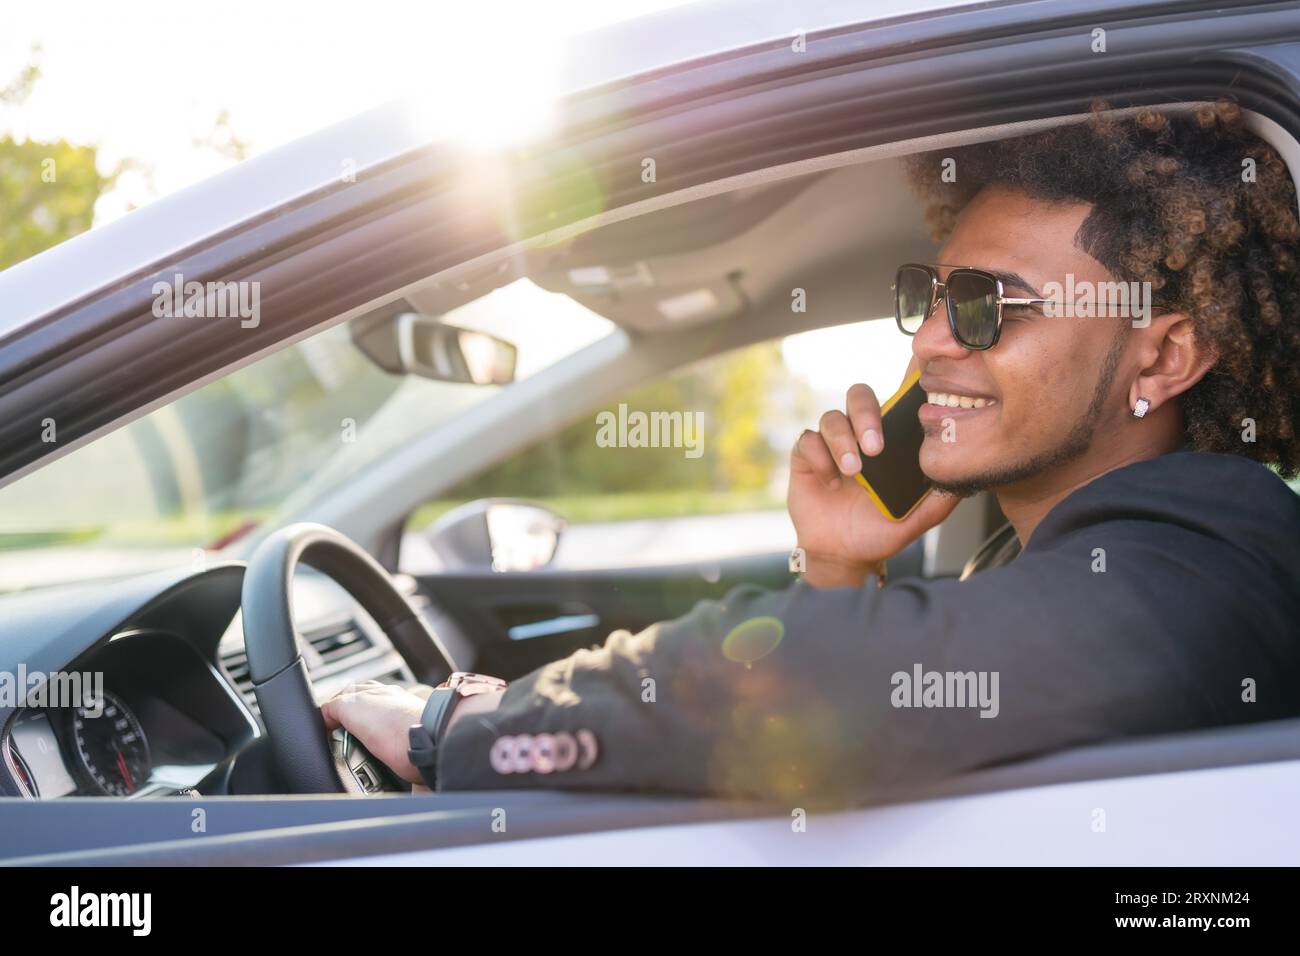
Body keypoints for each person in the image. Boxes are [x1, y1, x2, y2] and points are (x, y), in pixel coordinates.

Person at [322, 101, 1300, 803]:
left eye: (988, 308)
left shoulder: (1206, 565)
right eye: (931, 295)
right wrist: (838, 560)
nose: (928, 340)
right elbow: (840, 734)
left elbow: (832, 679)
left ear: (1164, 354)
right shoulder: (1054, 542)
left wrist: (461, 727)